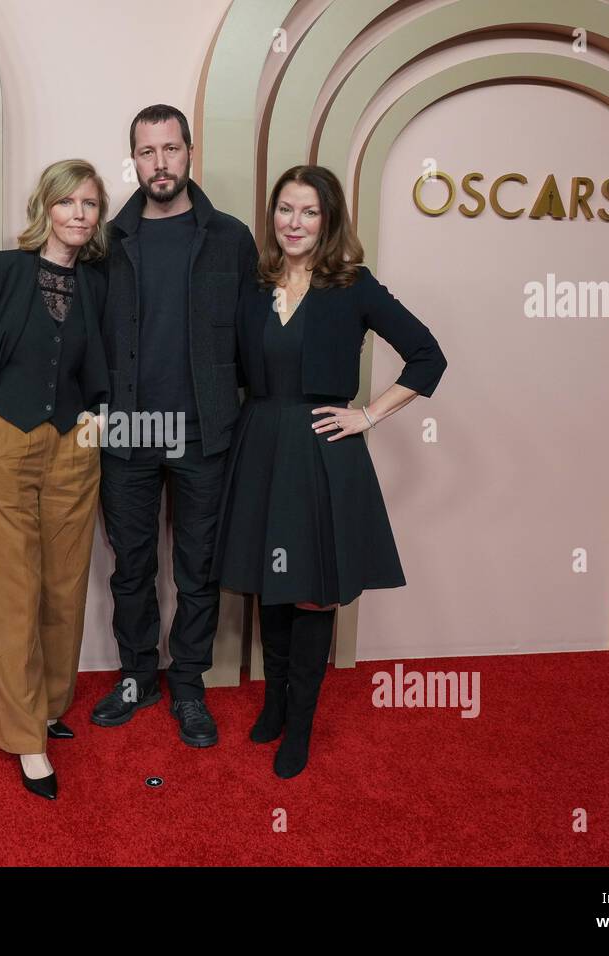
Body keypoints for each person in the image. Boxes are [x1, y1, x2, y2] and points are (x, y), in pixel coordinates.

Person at [214, 164, 448, 778]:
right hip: (261, 443)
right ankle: (273, 707)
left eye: (309, 212)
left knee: (313, 594)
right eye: (286, 210)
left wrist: (367, 415)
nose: (295, 223)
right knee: (273, 585)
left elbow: (428, 357)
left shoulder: (354, 285)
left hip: (321, 452)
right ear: (274, 217)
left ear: (329, 220)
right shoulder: (253, 284)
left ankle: (301, 726)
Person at [0, 159, 111, 800]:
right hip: (6, 444)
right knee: (11, 590)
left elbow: (106, 364)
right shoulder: (0, 271)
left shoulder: (97, 283)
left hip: (76, 445)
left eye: (91, 204)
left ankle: (47, 707)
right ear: (47, 206)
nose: (79, 214)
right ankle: (24, 740)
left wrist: (94, 421)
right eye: (69, 202)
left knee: (63, 587)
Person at [92, 104, 257, 747]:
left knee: (198, 568)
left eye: (170, 149)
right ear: (132, 160)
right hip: (129, 434)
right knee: (131, 567)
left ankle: (188, 683)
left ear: (190, 152)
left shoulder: (231, 238)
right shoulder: (108, 241)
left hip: (205, 432)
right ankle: (137, 676)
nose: (159, 163)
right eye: (146, 152)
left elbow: (252, 336)